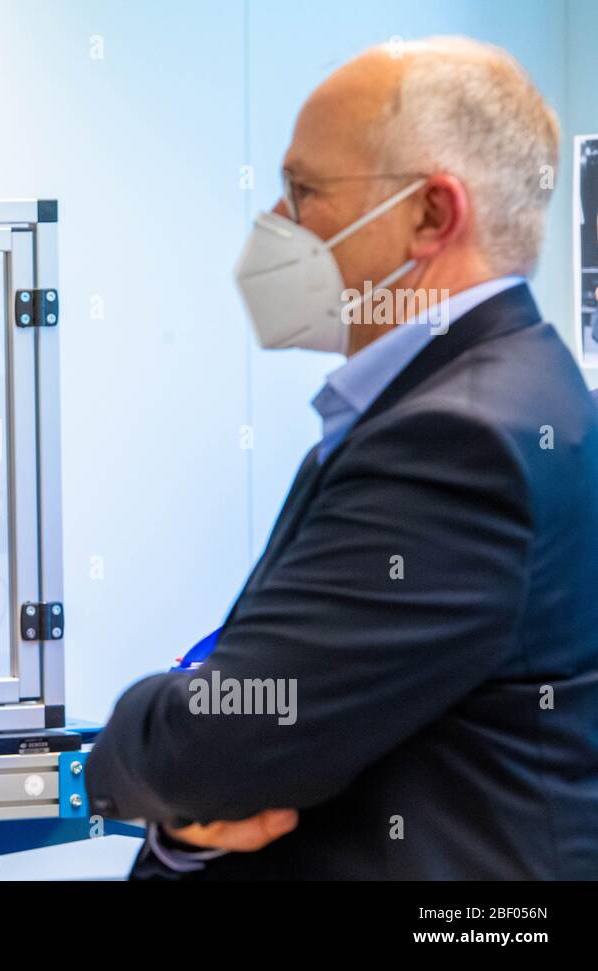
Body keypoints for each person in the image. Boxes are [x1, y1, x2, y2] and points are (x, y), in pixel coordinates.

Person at [85, 36, 598, 879]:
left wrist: (127, 738)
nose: (276, 227)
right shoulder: (508, 390)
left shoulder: (456, 443)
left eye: (304, 191)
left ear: (432, 214)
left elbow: (217, 742)